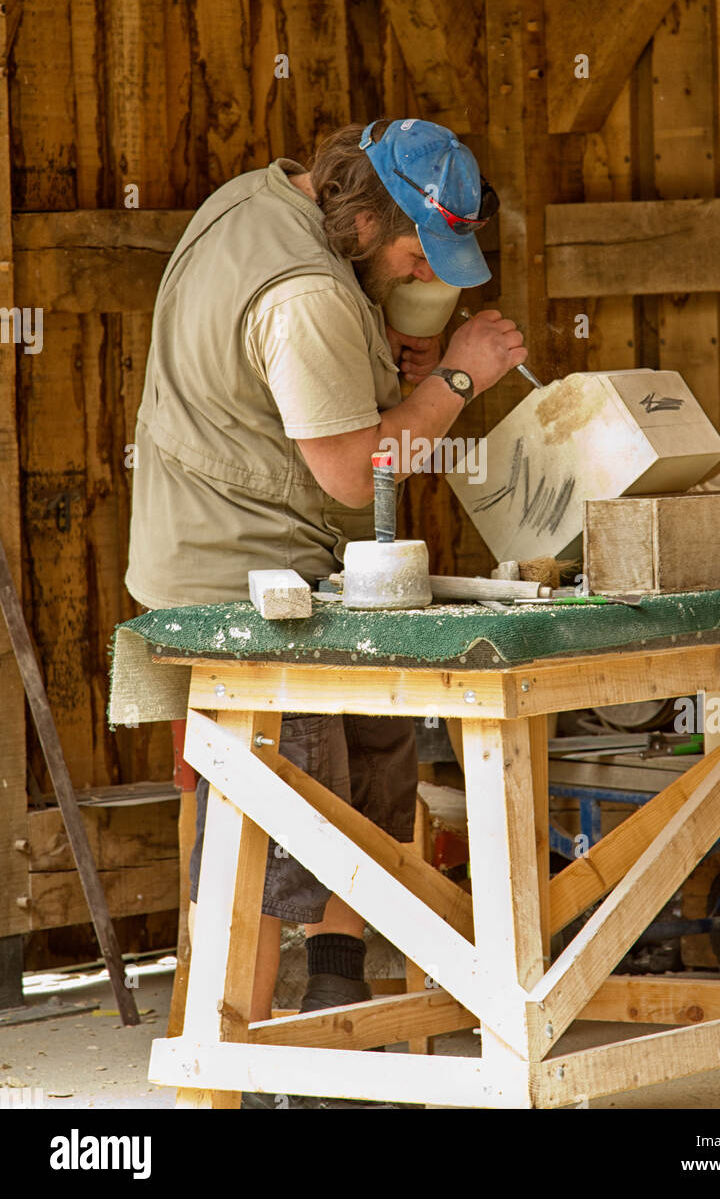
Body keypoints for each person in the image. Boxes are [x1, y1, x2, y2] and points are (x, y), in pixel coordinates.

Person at [125, 117, 527, 1105]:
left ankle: (333, 1025)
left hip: (290, 556)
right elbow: (356, 470)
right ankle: (246, 1065)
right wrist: (457, 377)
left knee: (371, 769)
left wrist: (380, 337)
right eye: (409, 250)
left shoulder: (266, 200)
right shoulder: (304, 292)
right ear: (363, 213)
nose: (413, 267)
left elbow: (293, 388)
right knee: (281, 814)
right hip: (238, 580)